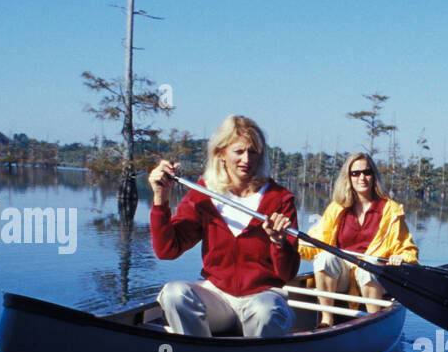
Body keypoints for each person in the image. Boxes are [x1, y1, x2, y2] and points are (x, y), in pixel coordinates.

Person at [148, 115, 298, 337]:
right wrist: (161, 198)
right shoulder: (203, 194)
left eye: (253, 151)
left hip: (263, 298)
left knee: (266, 311)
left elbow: (286, 274)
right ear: (221, 153)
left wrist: (278, 243)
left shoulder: (280, 199)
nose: (246, 159)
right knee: (173, 293)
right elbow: (167, 250)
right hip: (218, 298)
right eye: (239, 151)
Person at [299, 152, 419, 328]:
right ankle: (326, 320)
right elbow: (315, 243)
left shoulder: (390, 211)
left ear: (374, 176)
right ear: (348, 177)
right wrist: (286, 242)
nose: (361, 178)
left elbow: (408, 249)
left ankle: (373, 322)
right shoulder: (337, 209)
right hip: (344, 277)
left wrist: (402, 257)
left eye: (367, 172)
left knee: (367, 266)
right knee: (324, 258)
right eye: (355, 173)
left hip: (375, 278)